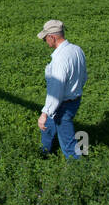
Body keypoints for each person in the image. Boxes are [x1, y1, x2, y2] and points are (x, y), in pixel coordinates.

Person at [36, 19, 87, 159]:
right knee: (47, 128)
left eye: (45, 38)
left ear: (52, 37)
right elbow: (84, 76)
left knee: (68, 144)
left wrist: (44, 114)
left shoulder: (60, 60)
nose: (45, 42)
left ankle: (77, 167)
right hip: (74, 100)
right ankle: (43, 153)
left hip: (62, 105)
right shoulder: (77, 50)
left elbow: (56, 92)